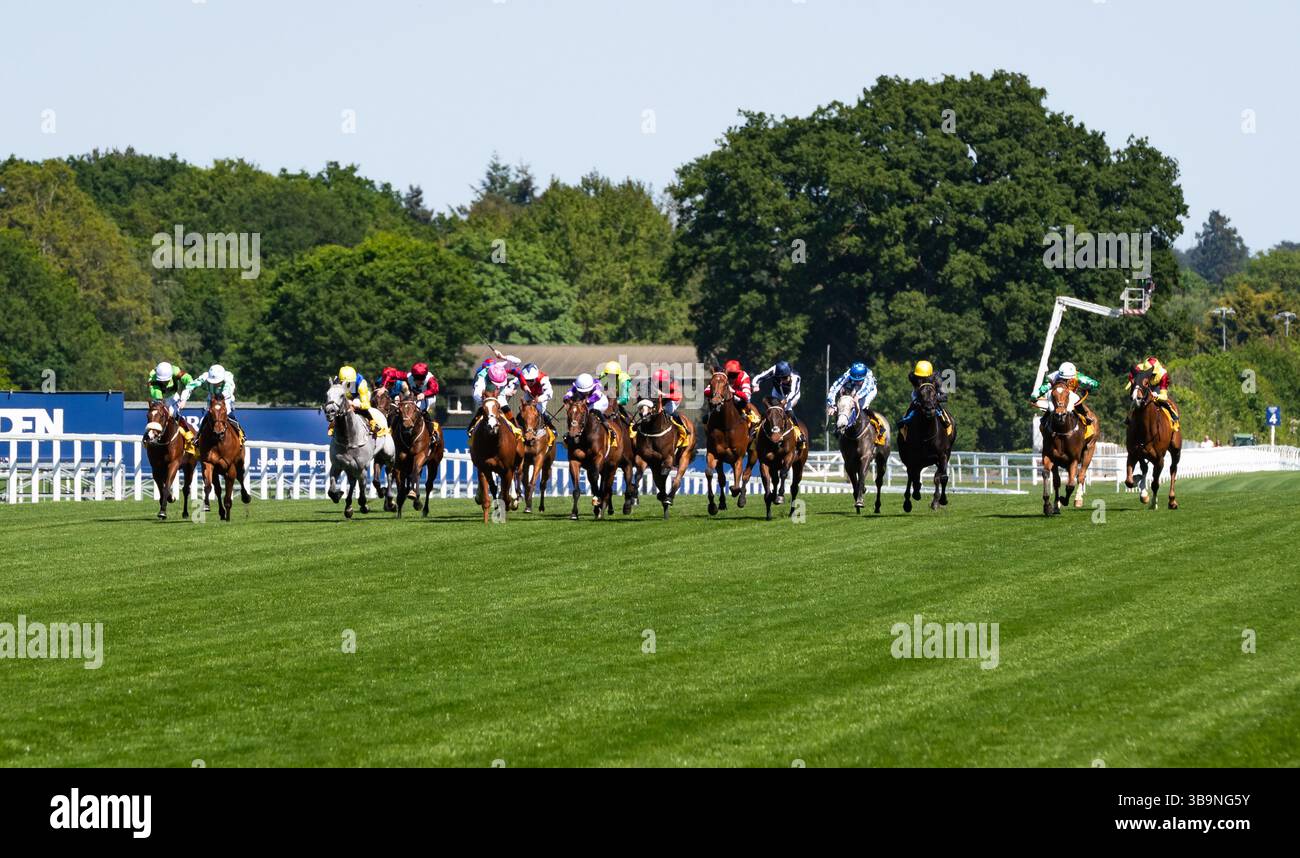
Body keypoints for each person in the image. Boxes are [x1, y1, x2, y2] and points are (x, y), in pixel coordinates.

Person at [177, 364, 243, 438]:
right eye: (213, 383)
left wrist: (220, 397)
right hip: (211, 398)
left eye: (218, 382)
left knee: (229, 414)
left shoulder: (228, 377)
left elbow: (228, 390)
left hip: (225, 399)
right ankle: (198, 437)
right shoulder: (204, 377)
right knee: (204, 419)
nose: (215, 384)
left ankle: (241, 435)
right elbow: (190, 386)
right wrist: (183, 399)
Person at [1031, 361, 1098, 429]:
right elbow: (1044, 388)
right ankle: (1045, 418)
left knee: (1076, 398)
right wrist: (1035, 395)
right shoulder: (1052, 376)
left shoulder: (1079, 376)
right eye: (1063, 379)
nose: (1065, 381)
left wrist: (1089, 387)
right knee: (1051, 397)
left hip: (1070, 395)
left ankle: (1085, 416)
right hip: (1056, 396)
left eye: (1067, 379)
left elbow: (1094, 383)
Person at [147, 361, 196, 441]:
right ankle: (148, 436)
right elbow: (157, 395)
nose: (163, 383)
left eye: (165, 381)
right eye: (161, 381)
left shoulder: (176, 371)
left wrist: (184, 398)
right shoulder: (152, 378)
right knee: (155, 414)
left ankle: (188, 434)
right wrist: (162, 406)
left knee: (174, 413)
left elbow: (190, 381)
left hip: (173, 396)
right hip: (159, 398)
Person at [332, 365, 388, 435]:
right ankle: (333, 423)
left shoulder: (361, 383)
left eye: (349, 383)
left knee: (355, 401)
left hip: (360, 395)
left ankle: (373, 423)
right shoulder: (337, 381)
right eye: (344, 383)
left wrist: (356, 405)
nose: (347, 385)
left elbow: (366, 405)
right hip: (348, 396)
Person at [703, 359, 759, 427]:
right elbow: (706, 391)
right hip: (724, 398)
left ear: (739, 373)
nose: (732, 377)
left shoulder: (744, 376)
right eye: (730, 374)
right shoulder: (721, 376)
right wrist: (716, 391)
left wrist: (734, 391)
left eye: (735, 375)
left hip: (740, 400)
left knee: (756, 420)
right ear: (726, 372)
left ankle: (752, 430)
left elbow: (747, 396)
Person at [1126, 355, 1179, 424]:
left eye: (1152, 374)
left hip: (1156, 386)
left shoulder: (1163, 375)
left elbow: (1164, 396)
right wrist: (1133, 383)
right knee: (1135, 397)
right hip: (1143, 384)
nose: (1149, 375)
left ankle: (1172, 413)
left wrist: (1157, 396)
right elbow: (1131, 376)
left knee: (1160, 401)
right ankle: (1130, 415)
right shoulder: (1139, 368)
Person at [898, 360, 950, 426]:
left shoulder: (937, 379)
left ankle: (944, 418)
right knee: (913, 408)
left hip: (934, 397)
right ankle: (906, 419)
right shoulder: (914, 378)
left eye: (923, 378)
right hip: (920, 396)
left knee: (938, 410)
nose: (921, 380)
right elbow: (916, 392)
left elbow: (945, 396)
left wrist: (932, 399)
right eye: (919, 377)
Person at [646, 367, 691, 438]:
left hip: (672, 399)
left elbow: (677, 396)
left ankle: (684, 428)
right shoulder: (650, 381)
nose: (656, 384)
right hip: (659, 399)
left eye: (659, 382)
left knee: (668, 410)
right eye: (655, 381)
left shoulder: (672, 383)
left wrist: (664, 395)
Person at [407, 362, 441, 439]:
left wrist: (424, 394)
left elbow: (435, 389)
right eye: (418, 379)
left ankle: (432, 433)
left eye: (423, 378)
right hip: (415, 397)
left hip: (429, 397)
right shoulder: (408, 376)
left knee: (420, 408)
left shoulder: (430, 378)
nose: (421, 381)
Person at [518, 363, 556, 431]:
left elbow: (549, 393)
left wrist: (539, 399)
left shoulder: (543, 379)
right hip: (529, 394)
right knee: (524, 410)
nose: (529, 383)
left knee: (540, 409)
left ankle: (552, 428)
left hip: (541, 396)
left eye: (531, 380)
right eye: (527, 380)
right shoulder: (521, 378)